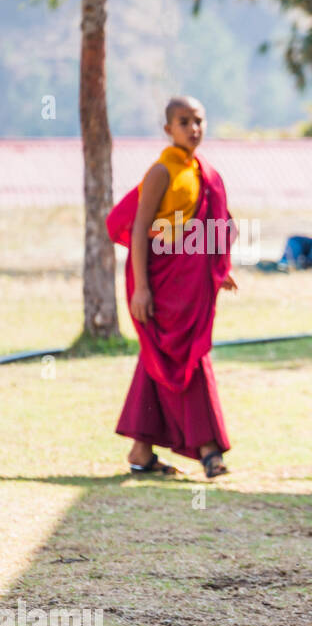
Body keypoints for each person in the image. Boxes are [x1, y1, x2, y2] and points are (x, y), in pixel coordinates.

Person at [106, 95, 235, 479]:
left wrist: (215, 266)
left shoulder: (203, 171)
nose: (193, 128)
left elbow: (205, 225)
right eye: (184, 121)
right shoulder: (162, 171)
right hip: (161, 284)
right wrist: (141, 288)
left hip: (190, 283)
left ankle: (142, 450)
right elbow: (142, 232)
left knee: (158, 359)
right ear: (168, 129)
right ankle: (210, 450)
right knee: (189, 356)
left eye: (199, 120)